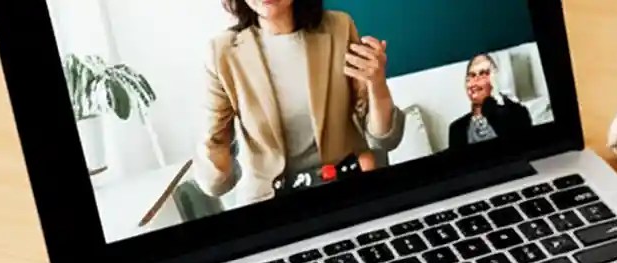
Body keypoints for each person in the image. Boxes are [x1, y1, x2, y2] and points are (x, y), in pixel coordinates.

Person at [194, 0, 404, 203]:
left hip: (345, 186)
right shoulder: (222, 52)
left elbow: (386, 139)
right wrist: (216, 157)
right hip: (269, 202)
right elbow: (215, 178)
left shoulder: (339, 27)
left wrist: (377, 83)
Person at [448, 53, 533, 150]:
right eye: (471, 75)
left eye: (483, 74)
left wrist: (493, 106)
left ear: (494, 79)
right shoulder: (456, 129)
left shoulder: (517, 114)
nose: (474, 82)